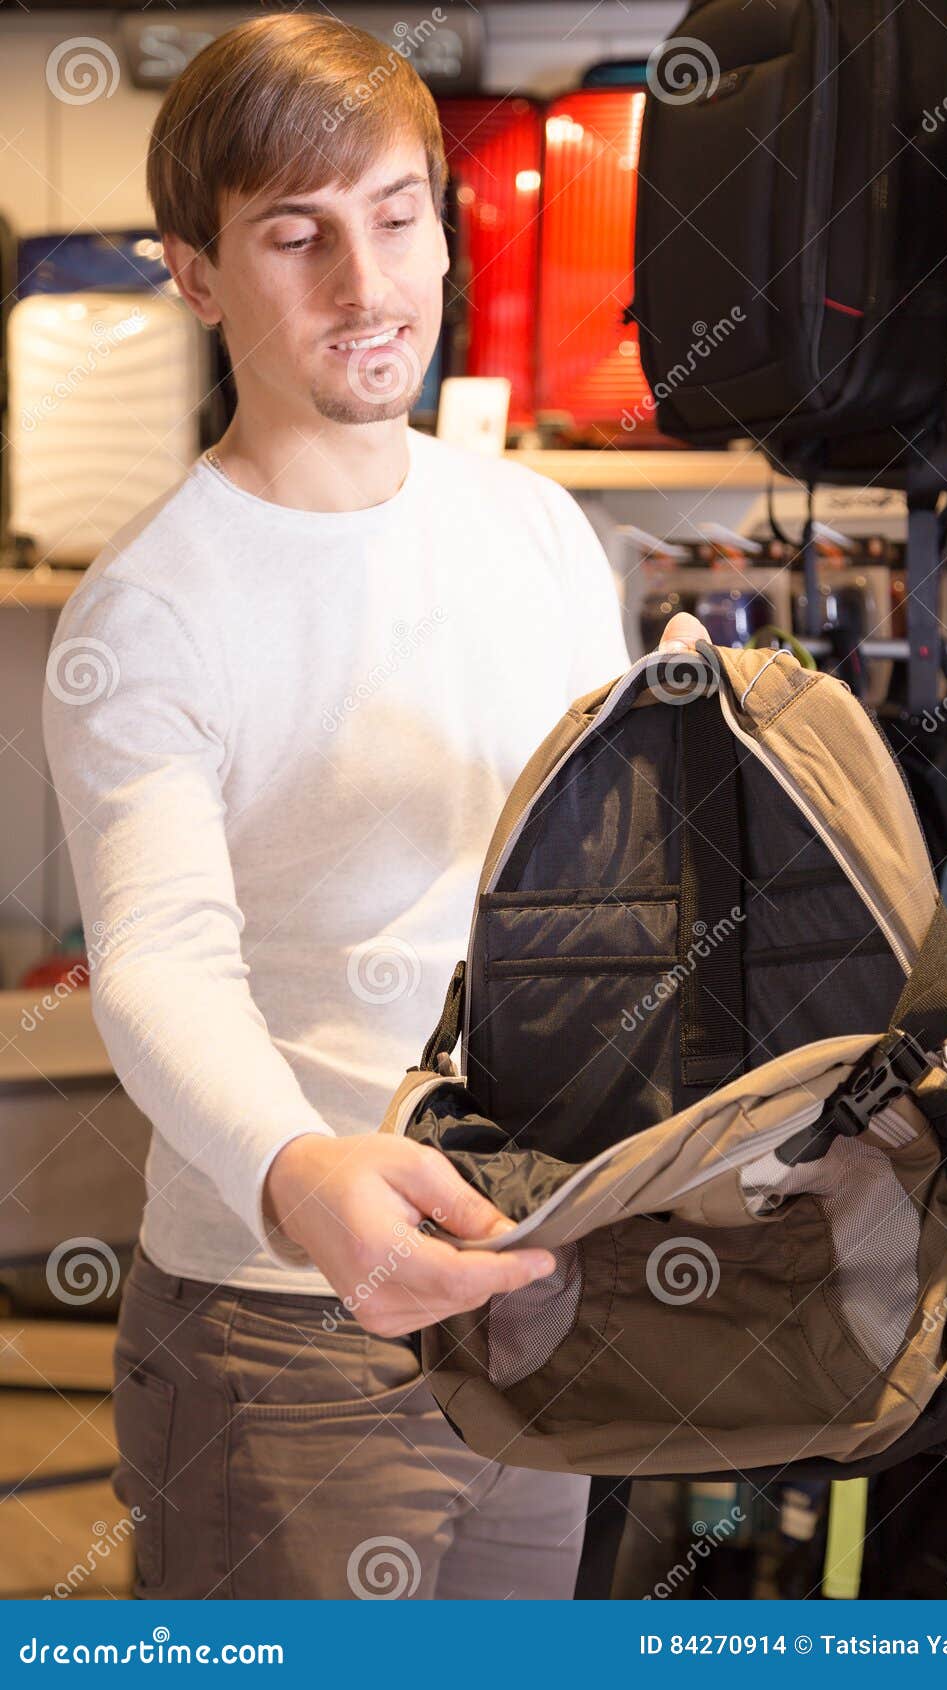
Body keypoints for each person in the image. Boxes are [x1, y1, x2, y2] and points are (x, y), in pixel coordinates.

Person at [41, 12, 709, 1602]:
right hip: (283, 1332)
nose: (367, 286)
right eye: (297, 236)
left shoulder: (537, 529)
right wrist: (299, 1171)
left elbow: (592, 894)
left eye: (399, 216)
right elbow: (160, 959)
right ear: (194, 274)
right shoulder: (150, 615)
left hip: (527, 1275)